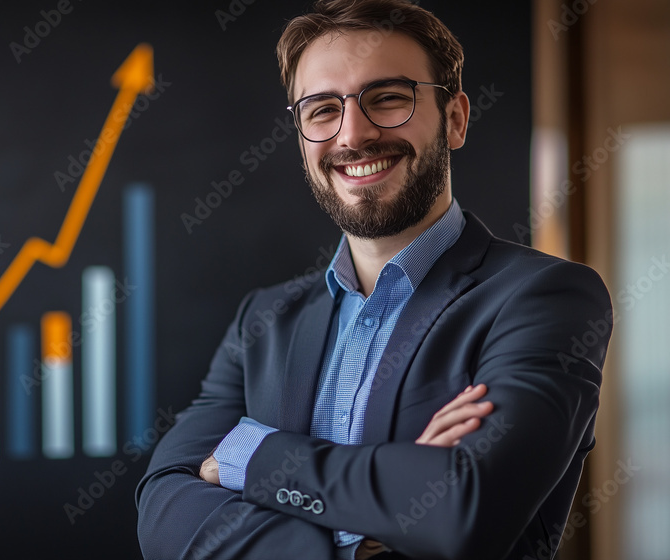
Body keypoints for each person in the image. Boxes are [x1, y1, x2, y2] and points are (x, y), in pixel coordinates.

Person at [135, 1, 613, 559]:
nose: (353, 135)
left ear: (455, 118)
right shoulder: (263, 321)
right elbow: (165, 514)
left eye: (388, 98)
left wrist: (254, 456)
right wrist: (364, 539)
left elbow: (463, 510)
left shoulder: (545, 298)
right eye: (321, 110)